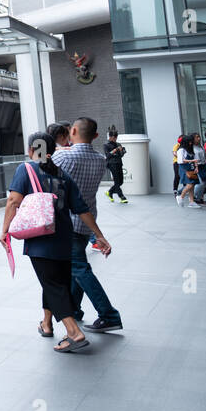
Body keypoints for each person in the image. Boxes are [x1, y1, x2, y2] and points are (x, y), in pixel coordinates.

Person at [0, 132, 108, 352]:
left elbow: (13, 201)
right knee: (55, 281)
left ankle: (74, 334)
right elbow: (81, 208)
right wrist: (99, 235)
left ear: (31, 150)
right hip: (64, 237)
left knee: (52, 284)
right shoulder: (62, 173)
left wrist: (5, 231)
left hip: (40, 239)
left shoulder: (26, 169)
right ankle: (46, 324)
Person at [54, 118, 121, 333]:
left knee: (79, 268)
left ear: (72, 131)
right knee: (77, 267)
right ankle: (74, 310)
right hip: (87, 221)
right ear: (95, 136)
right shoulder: (100, 159)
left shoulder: (63, 155)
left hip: (67, 222)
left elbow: (42, 171)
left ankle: (109, 314)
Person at [176, 134, 203, 209]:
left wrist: (196, 167)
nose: (190, 143)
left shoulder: (190, 149)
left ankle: (191, 201)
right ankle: (181, 196)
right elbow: (181, 161)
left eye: (191, 142)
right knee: (190, 184)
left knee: (193, 185)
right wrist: (192, 160)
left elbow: (195, 158)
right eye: (189, 142)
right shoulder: (181, 150)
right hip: (184, 169)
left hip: (191, 168)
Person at [103, 128, 128, 203]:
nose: (115, 139)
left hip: (119, 163)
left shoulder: (118, 144)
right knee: (117, 181)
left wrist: (122, 151)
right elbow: (107, 156)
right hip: (111, 164)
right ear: (110, 137)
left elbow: (120, 155)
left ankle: (110, 192)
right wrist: (115, 150)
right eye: (114, 137)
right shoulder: (106, 145)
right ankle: (122, 197)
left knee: (121, 182)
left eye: (116, 137)